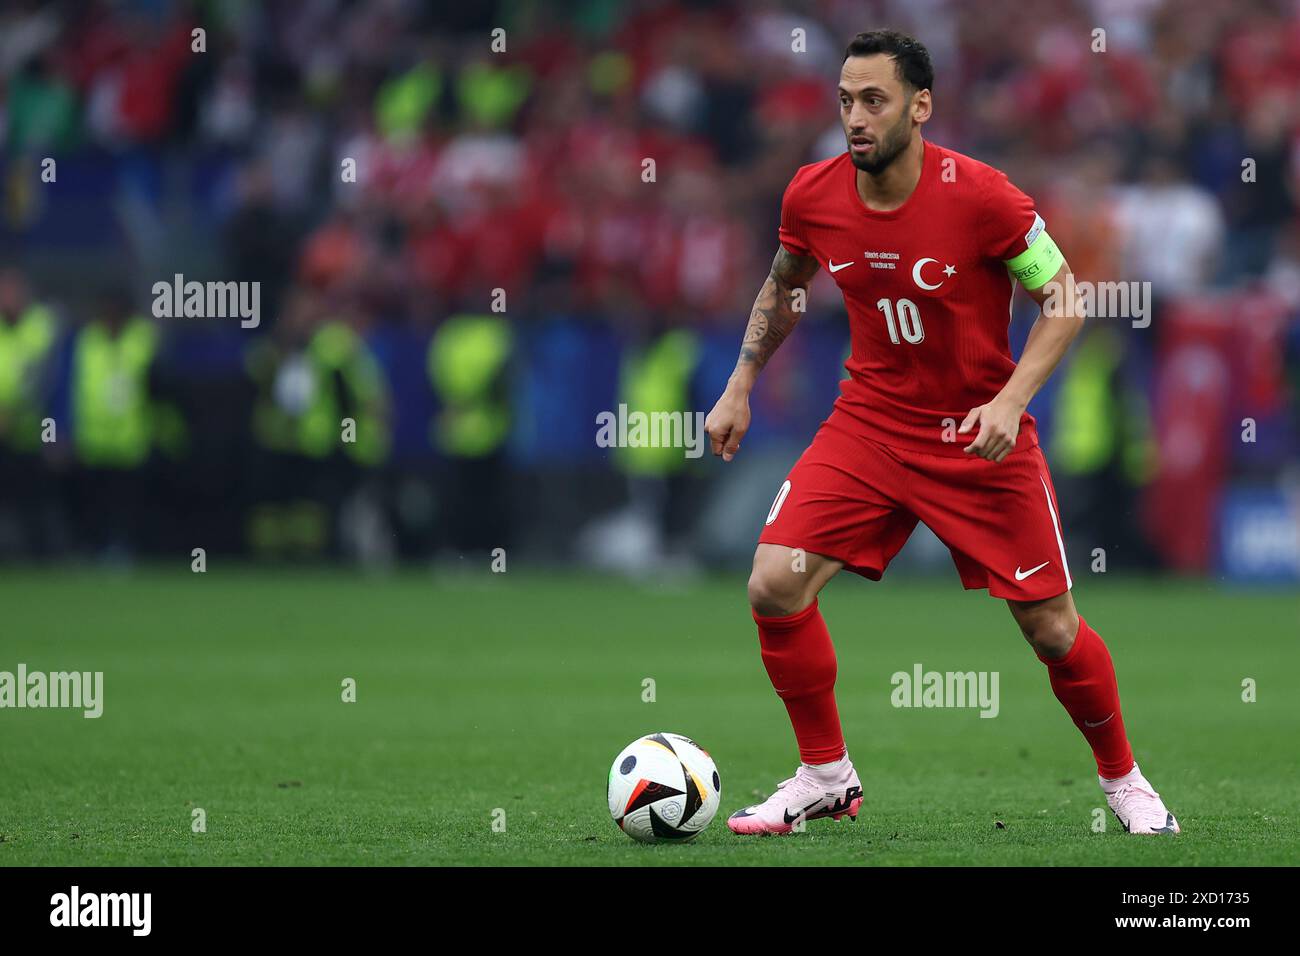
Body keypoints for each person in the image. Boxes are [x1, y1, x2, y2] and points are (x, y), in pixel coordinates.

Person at [703, 31, 1179, 837]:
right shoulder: (811, 195)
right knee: (772, 584)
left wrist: (1010, 399)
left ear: (920, 107)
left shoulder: (985, 197)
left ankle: (1126, 782)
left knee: (1053, 629)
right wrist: (739, 383)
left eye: (874, 101)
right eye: (846, 100)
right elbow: (785, 286)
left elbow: (1065, 301)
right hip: (871, 429)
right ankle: (824, 774)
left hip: (977, 438)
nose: (856, 117)